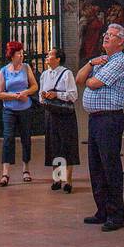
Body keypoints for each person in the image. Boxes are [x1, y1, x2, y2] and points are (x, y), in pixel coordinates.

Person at [76, 22, 124, 232]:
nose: (106, 37)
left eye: (112, 35)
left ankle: (116, 215)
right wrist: (91, 63)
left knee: (110, 167)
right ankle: (102, 210)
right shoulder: (101, 60)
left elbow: (92, 83)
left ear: (121, 42)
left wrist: (91, 76)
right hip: (96, 119)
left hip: (109, 120)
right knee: (96, 167)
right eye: (106, 33)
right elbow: (80, 78)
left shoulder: (119, 62)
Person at [0, 40, 37, 186]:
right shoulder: (4, 71)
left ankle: (26, 169)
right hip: (9, 110)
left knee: (26, 138)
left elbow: (34, 86)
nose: (21, 55)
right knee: (8, 138)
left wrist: (26, 92)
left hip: (25, 109)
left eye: (22, 53)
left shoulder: (26, 68)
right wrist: (14, 96)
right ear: (12, 55)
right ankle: (5, 172)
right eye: (19, 53)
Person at [39, 47, 78, 193]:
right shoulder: (44, 75)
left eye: (50, 55)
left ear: (58, 59)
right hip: (51, 114)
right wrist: (44, 96)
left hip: (65, 115)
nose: (47, 57)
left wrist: (57, 95)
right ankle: (56, 178)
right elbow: (40, 94)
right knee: (54, 146)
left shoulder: (67, 74)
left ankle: (68, 180)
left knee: (67, 145)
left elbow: (73, 95)